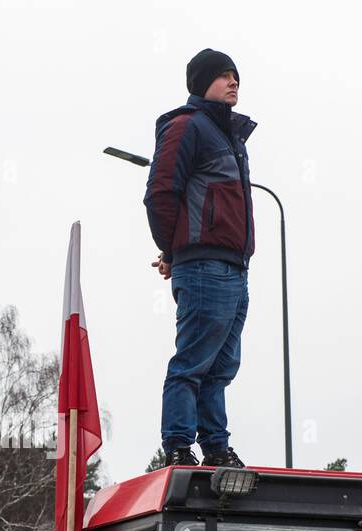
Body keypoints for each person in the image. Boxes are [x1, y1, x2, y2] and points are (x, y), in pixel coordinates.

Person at [144, 48, 256, 468]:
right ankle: (177, 445)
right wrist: (174, 251)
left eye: (237, 77)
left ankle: (216, 447)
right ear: (202, 82)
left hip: (235, 267)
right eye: (224, 76)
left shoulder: (230, 136)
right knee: (192, 362)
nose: (234, 83)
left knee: (221, 367)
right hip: (205, 266)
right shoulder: (187, 127)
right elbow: (159, 193)